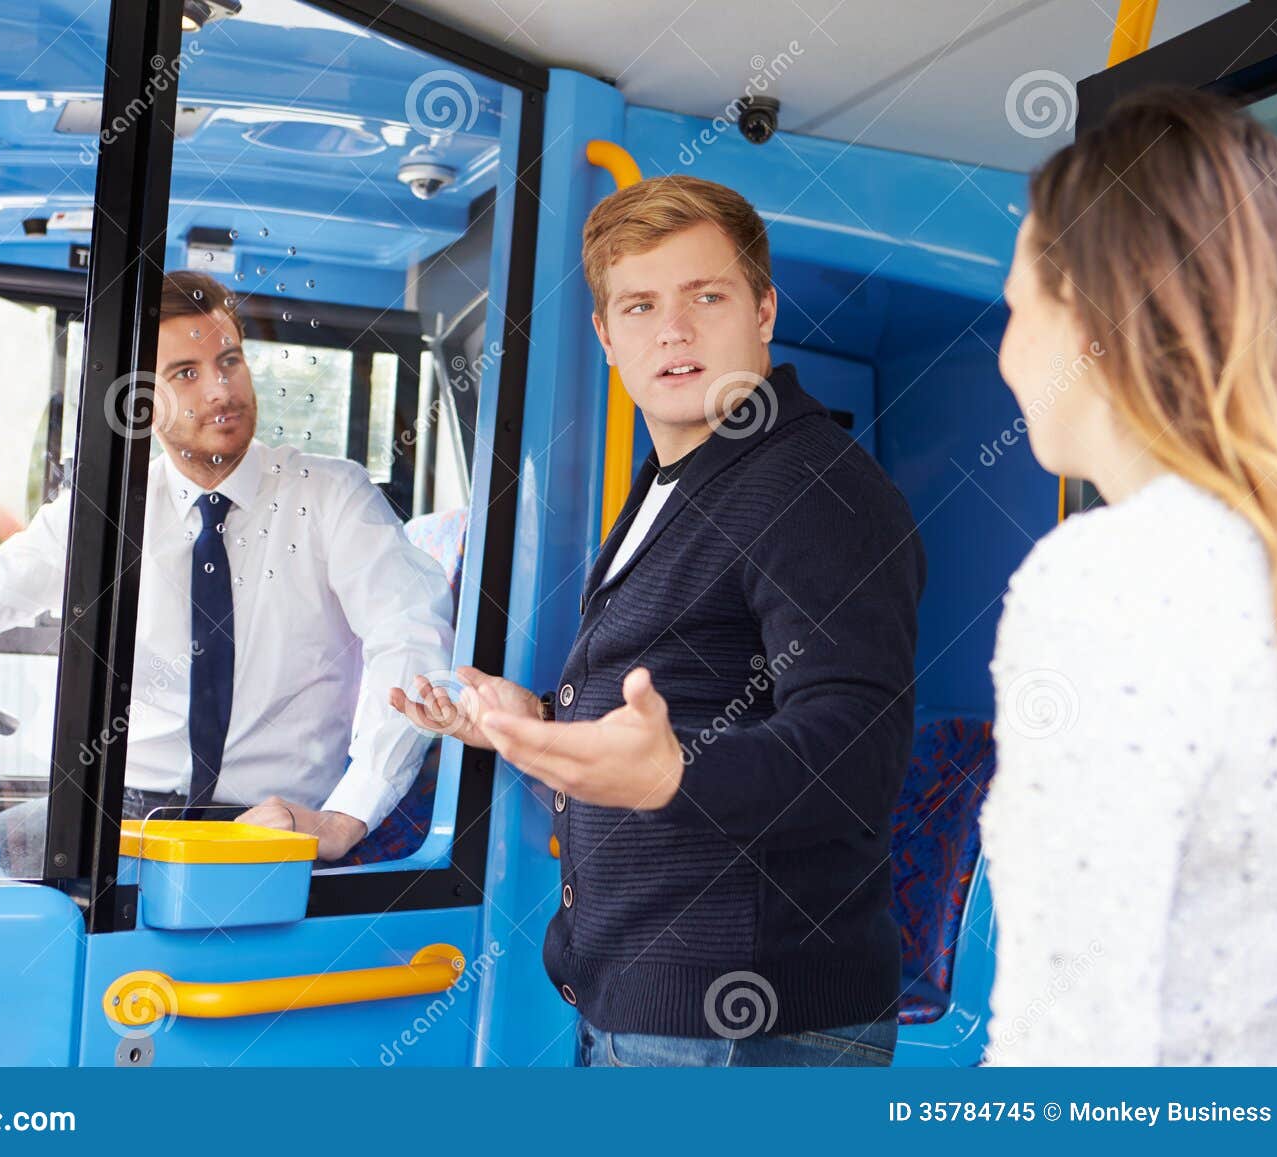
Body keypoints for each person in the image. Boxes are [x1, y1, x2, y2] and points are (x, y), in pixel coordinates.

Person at [392, 175, 925, 1066]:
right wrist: (541, 722)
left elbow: (856, 755)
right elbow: (695, 697)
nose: (672, 330)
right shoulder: (676, 481)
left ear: (763, 310)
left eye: (705, 297)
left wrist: (673, 776)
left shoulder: (812, 485)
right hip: (652, 1010)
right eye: (639, 306)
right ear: (606, 336)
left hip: (745, 1028)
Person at [982, 86, 1277, 1064]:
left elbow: (1071, 1040)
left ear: (1089, 317)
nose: (1004, 356)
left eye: (1016, 309)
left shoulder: (1103, 584)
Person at [0, 271, 453, 869]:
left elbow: (410, 641)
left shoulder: (332, 496)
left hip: (264, 824)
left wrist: (346, 815)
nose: (221, 389)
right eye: (186, 373)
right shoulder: (108, 509)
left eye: (229, 361)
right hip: (121, 812)